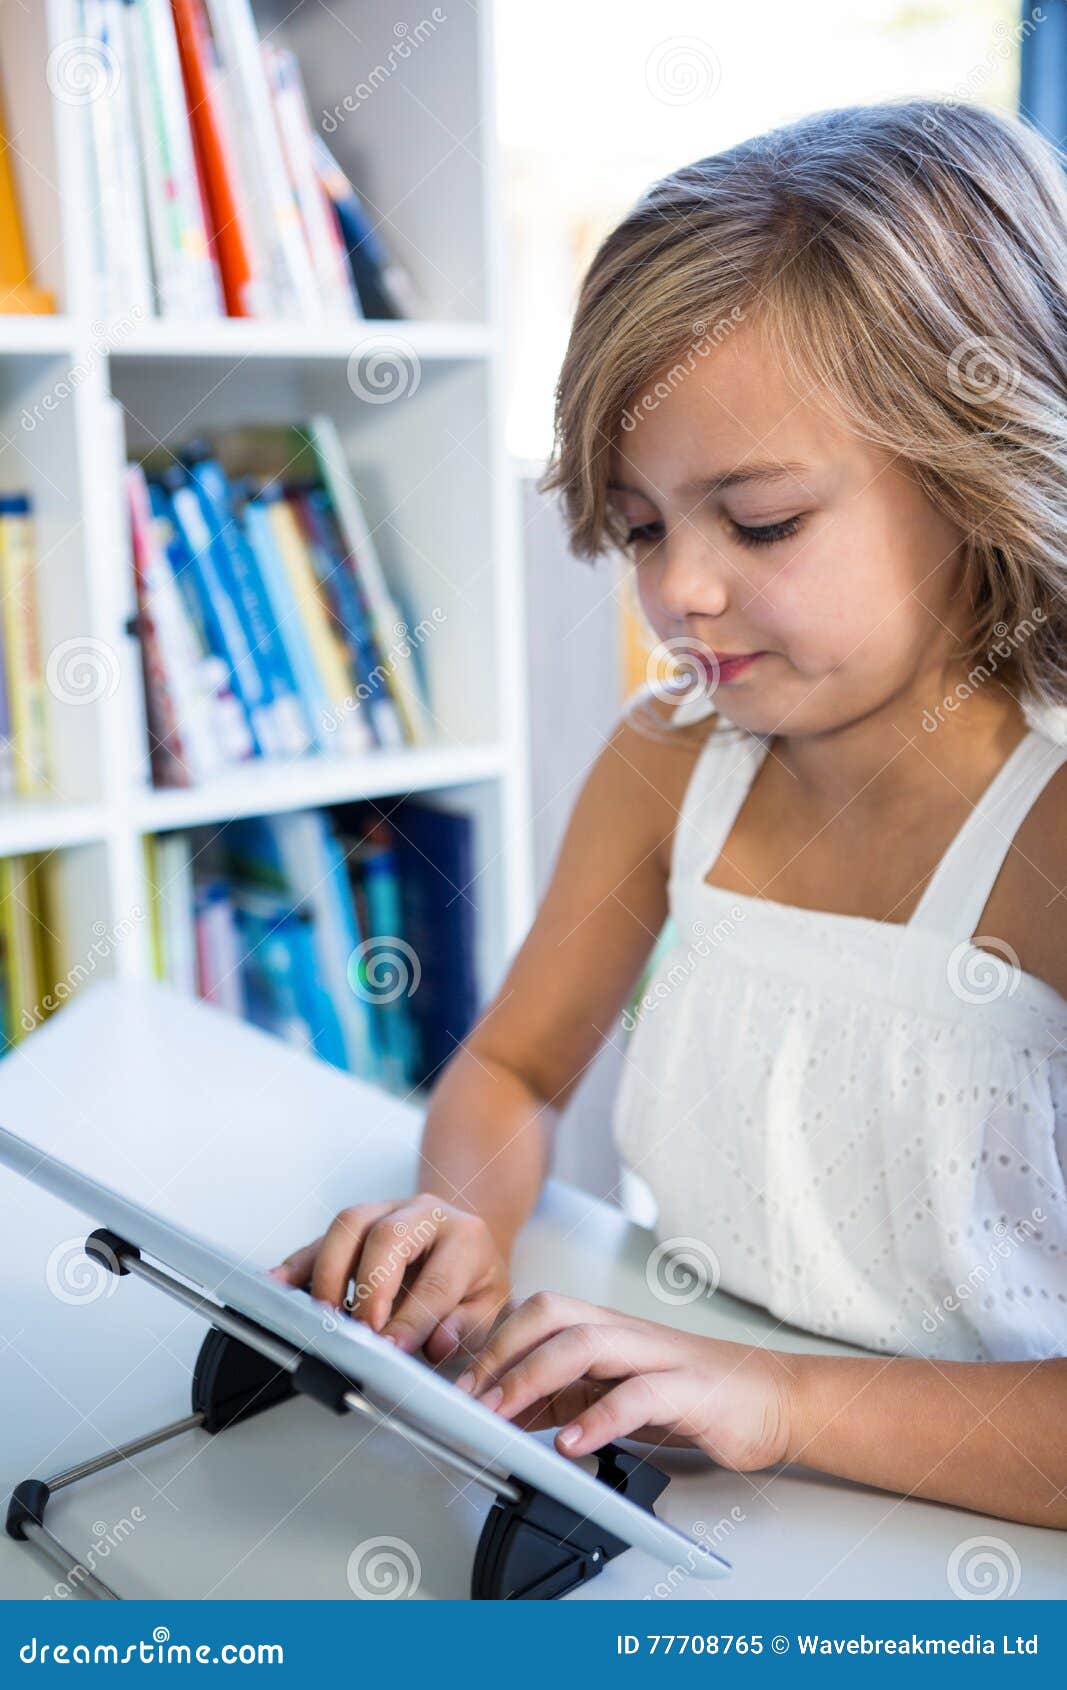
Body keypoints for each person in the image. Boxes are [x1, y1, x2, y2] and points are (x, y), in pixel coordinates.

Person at [272, 100, 1067, 1528]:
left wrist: (775, 1399)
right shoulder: (669, 760)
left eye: (757, 521)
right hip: (705, 1497)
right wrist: (465, 1216)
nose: (677, 591)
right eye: (641, 525)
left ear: (980, 470)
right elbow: (512, 1068)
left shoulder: (1051, 826)